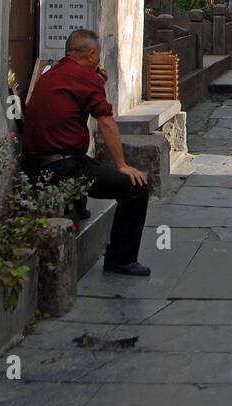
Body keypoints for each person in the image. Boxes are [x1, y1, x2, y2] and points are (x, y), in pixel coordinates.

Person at [20, 29, 150, 276]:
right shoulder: (84, 76)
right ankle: (121, 260)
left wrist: (96, 83)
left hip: (33, 164)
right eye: (98, 55)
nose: (99, 61)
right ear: (91, 54)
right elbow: (105, 121)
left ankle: (78, 207)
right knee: (135, 188)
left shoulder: (52, 73)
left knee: (84, 162)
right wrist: (121, 164)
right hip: (62, 167)